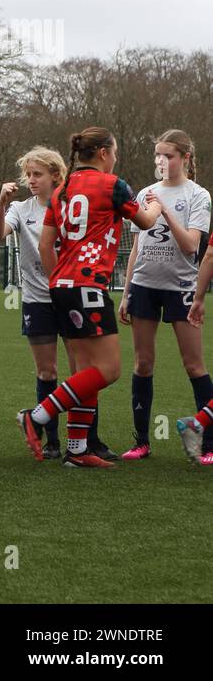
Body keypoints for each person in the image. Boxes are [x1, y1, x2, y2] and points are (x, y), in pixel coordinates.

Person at [16, 127, 161, 468]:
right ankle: (36, 416)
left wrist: (57, 281)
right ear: (103, 153)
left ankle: (77, 450)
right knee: (108, 369)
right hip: (88, 286)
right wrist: (154, 206)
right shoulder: (113, 185)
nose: (116, 159)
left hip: (62, 286)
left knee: (85, 372)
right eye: (115, 152)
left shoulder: (61, 190)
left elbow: (44, 245)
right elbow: (144, 221)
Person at [117, 130, 211, 461]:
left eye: (168, 155)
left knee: (193, 364)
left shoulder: (199, 196)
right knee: (143, 363)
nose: (162, 161)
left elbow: (191, 247)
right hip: (144, 286)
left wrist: (166, 212)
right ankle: (141, 441)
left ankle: (208, 443)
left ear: (184, 158)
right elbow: (137, 249)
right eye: (158, 155)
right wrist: (126, 292)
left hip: (182, 289)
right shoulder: (144, 193)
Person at [0, 146, 70, 460]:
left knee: (82, 372)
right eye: (29, 174)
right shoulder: (22, 209)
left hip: (71, 297)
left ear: (55, 176)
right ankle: (50, 439)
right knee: (47, 372)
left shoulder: (71, 207)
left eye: (37, 174)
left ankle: (88, 438)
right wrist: (0, 204)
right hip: (38, 300)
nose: (31, 180)